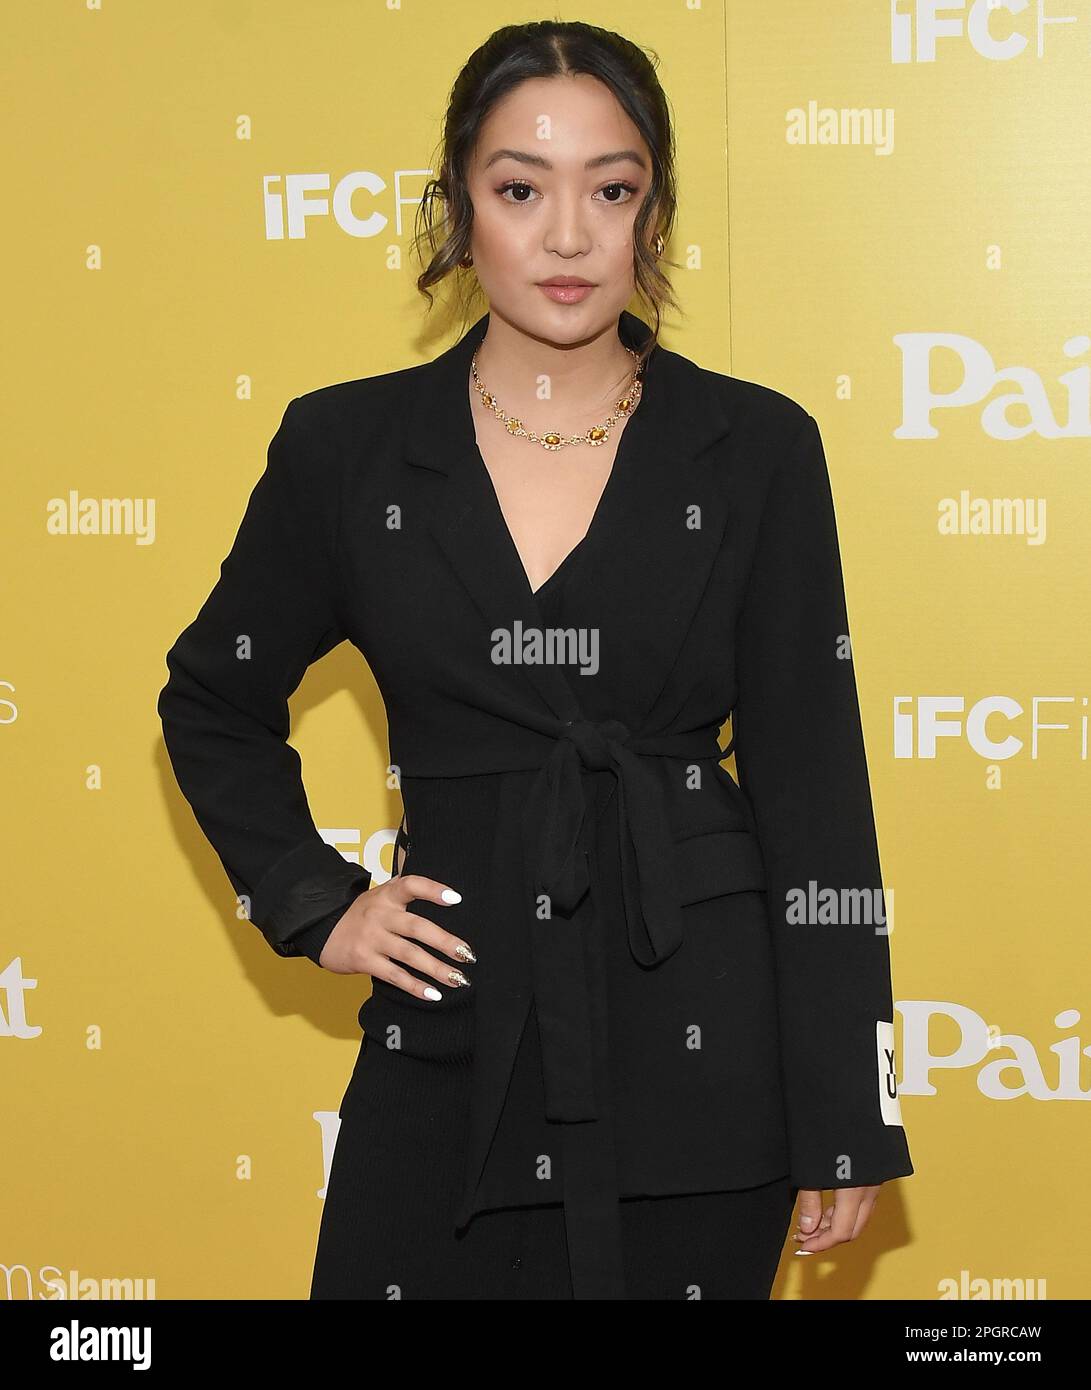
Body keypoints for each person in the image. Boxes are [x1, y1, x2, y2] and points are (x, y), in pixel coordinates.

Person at [157, 20, 913, 1301]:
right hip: (453, 1029)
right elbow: (213, 695)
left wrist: (845, 1102)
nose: (567, 236)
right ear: (457, 209)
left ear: (652, 214)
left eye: (609, 191)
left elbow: (813, 792)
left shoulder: (755, 448)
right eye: (519, 189)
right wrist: (315, 900)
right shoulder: (347, 451)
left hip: (705, 1051)